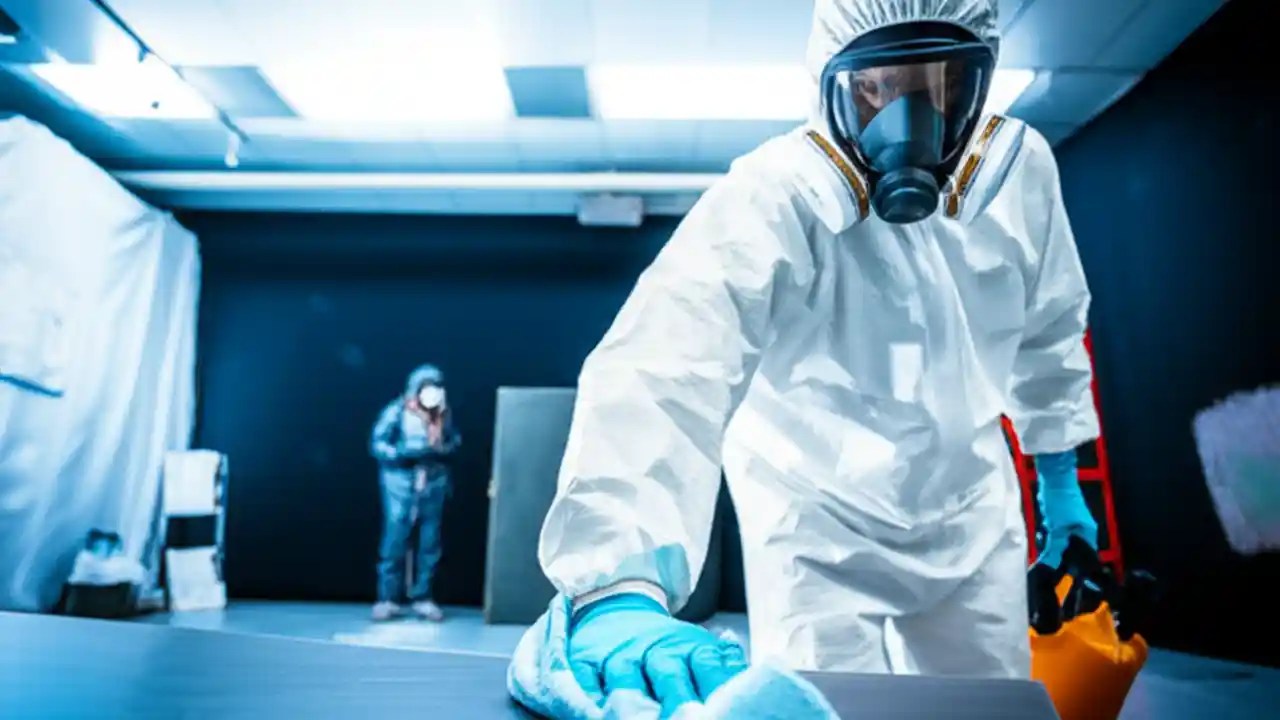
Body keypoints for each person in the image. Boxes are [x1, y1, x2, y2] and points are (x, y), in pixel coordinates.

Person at [512, 0, 1103, 716]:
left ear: (977, 79)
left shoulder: (1020, 177)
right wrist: (619, 582)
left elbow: (1050, 327)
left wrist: (1059, 480)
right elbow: (667, 362)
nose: (907, 123)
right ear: (833, 86)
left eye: (937, 83)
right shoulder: (774, 196)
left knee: (987, 707)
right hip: (813, 522)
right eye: (876, 89)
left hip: (969, 508)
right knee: (823, 708)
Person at [369, 363, 460, 622]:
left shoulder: (443, 415)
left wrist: (441, 451)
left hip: (433, 484)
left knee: (430, 543)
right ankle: (388, 597)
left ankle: (423, 596)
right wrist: (401, 455)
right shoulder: (397, 411)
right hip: (400, 484)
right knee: (396, 538)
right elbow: (378, 443)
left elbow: (454, 441)